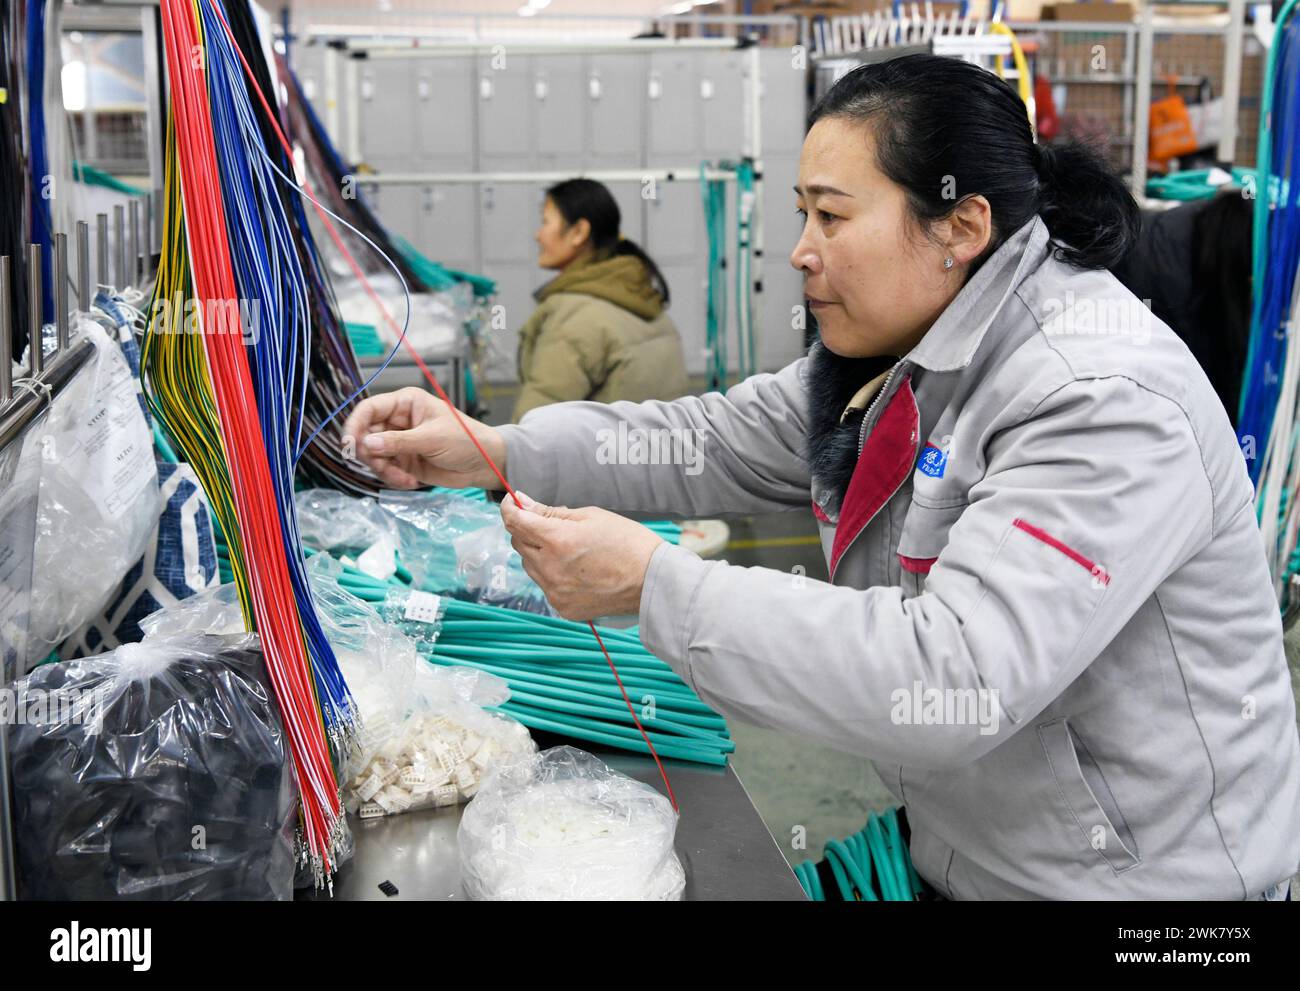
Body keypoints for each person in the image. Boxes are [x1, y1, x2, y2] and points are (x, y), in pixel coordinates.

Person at [345, 55, 1300, 900]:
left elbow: (958, 673)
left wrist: (655, 585)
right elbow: (709, 437)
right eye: (802, 213)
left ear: (961, 224)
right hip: (977, 853)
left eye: (832, 217)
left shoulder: (1101, 394)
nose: (801, 249)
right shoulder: (906, 348)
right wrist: (500, 449)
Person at [510, 178, 689, 421]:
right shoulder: (642, 296)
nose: (537, 235)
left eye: (545, 222)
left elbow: (534, 426)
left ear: (579, 232)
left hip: (598, 457)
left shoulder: (573, 315)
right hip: (655, 455)